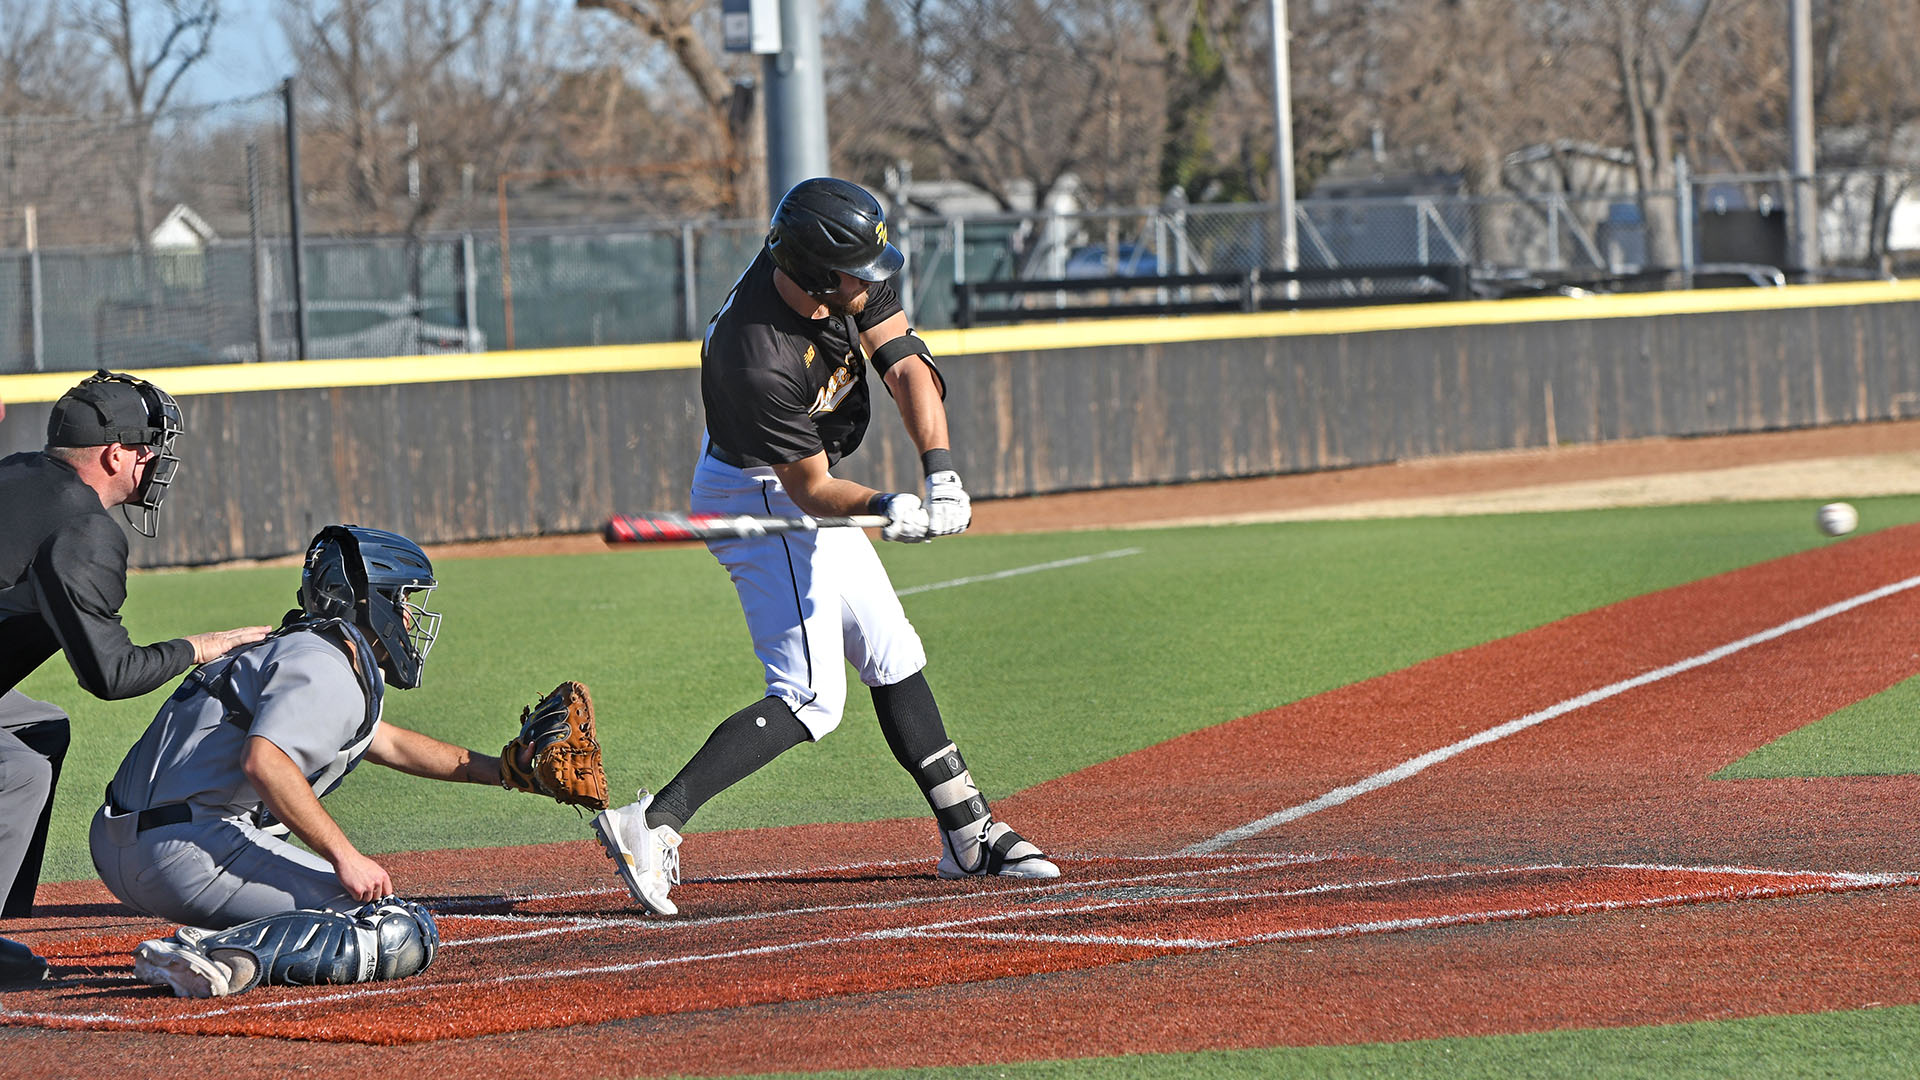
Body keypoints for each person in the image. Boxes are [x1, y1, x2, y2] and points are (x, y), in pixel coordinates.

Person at [592, 177, 1059, 917]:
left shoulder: (841, 272)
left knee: (890, 648)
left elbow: (903, 363)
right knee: (811, 697)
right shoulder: (757, 355)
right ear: (814, 274)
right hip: (758, 491)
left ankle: (969, 834)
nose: (871, 285)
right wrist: (887, 507)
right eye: (855, 276)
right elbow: (808, 489)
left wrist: (940, 476)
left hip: (804, 482)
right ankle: (648, 825)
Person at [93, 525, 511, 999]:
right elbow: (265, 763)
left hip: (125, 843)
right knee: (394, 928)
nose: (410, 619)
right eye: (401, 600)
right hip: (184, 853)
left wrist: (503, 771)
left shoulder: (300, 648)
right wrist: (345, 858)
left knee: (280, 837)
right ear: (368, 600)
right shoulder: (325, 665)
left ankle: (221, 943)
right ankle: (217, 954)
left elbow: (387, 743)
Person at [0, 371, 270, 988]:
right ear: (115, 454)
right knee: (18, 770)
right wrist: (204, 646)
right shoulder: (82, 527)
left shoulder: (17, 473)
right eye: (148, 447)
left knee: (39, 726)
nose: (154, 460)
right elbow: (112, 675)